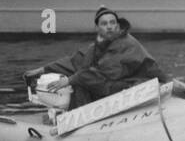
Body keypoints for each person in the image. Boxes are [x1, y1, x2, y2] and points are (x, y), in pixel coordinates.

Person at [29, 6, 169, 109]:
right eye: (104, 24)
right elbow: (75, 61)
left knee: (80, 81)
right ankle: (78, 118)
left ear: (117, 25)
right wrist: (42, 70)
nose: (109, 27)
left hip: (142, 84)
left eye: (112, 23)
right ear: (97, 28)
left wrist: (70, 80)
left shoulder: (126, 43)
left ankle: (81, 117)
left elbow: (104, 71)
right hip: (123, 84)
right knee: (80, 78)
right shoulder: (99, 45)